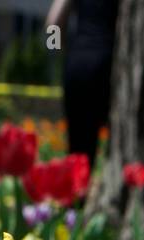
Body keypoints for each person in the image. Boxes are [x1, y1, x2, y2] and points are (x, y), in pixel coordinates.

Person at [47, 0, 120, 167]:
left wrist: (59, 51)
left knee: (79, 151)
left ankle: (78, 191)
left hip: (77, 64)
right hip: (109, 64)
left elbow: (53, 23)